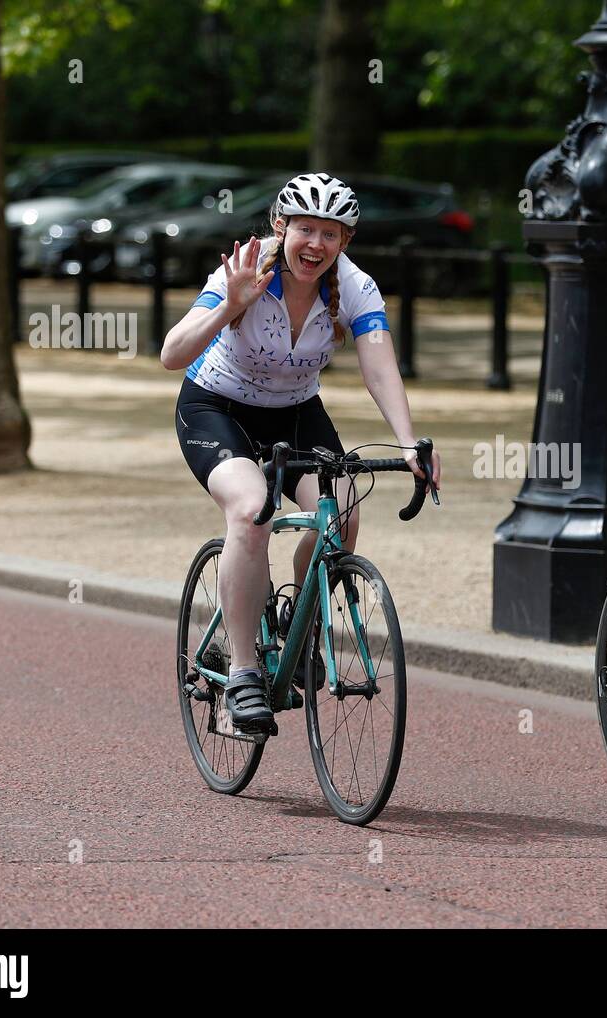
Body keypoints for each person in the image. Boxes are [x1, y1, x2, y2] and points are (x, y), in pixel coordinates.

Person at [161, 172, 440, 734]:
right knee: (251, 507)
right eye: (305, 230)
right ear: (280, 226)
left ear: (345, 242)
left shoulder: (356, 287)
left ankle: (293, 627)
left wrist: (410, 440)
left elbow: (379, 366)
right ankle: (242, 673)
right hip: (218, 407)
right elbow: (172, 353)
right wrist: (228, 305)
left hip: (294, 411)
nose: (316, 245)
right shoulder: (244, 269)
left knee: (344, 511)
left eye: (330, 234)